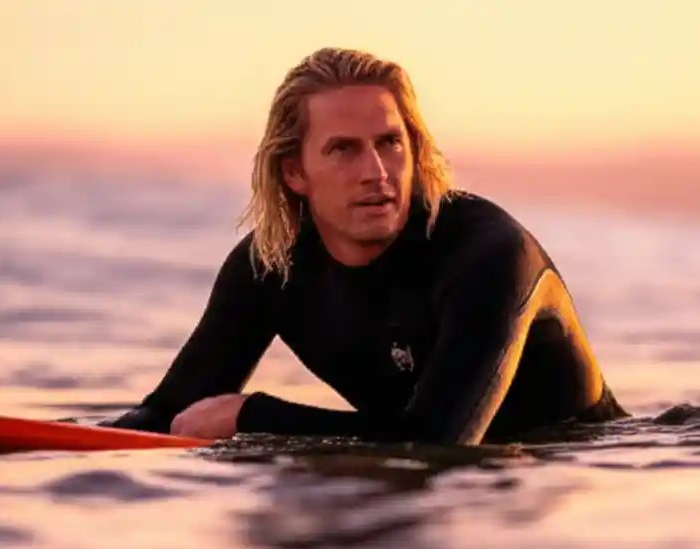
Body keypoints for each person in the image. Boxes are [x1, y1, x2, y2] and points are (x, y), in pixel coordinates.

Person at [105, 47, 627, 444]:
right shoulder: (271, 267)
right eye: (344, 150)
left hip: (593, 478)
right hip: (431, 482)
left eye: (389, 143)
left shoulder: (489, 256)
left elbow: (440, 442)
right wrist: (43, 452)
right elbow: (170, 413)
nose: (375, 172)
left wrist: (250, 416)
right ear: (294, 171)